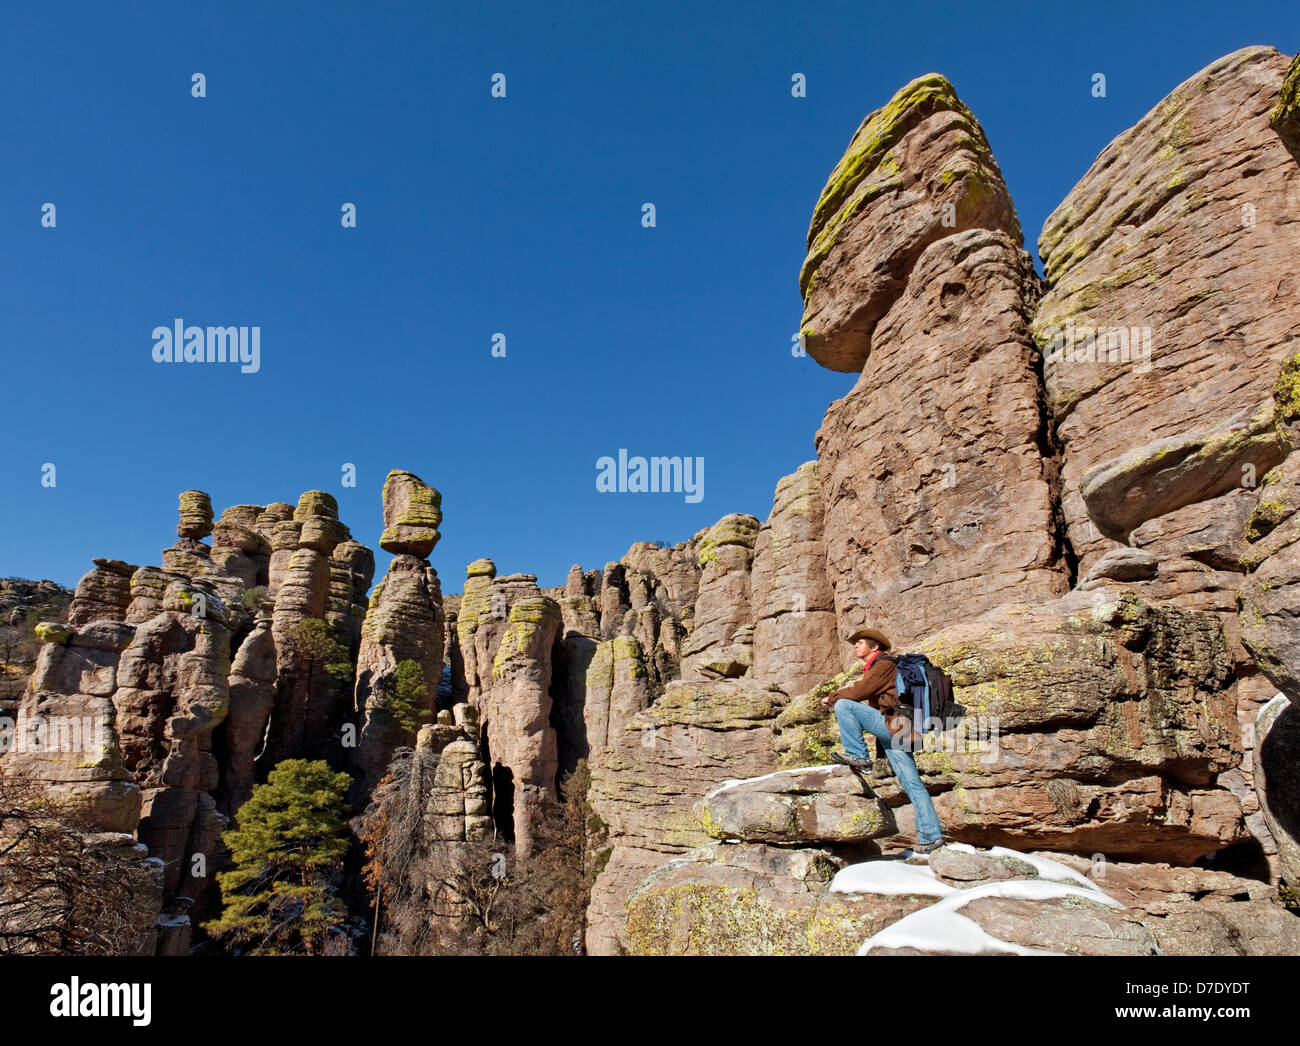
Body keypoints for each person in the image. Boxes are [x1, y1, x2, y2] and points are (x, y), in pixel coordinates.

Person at [821, 626, 946, 854]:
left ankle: (858, 756)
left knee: (844, 705)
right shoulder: (882, 666)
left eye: (860, 642)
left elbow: (860, 691)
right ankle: (932, 837)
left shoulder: (884, 664)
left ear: (874, 646)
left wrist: (832, 697)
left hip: (895, 727)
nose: (856, 646)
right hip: (902, 730)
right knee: (912, 784)